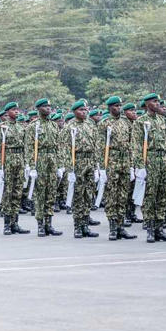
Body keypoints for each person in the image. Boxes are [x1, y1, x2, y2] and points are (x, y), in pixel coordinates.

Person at [131, 93, 166, 243]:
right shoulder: (140, 122)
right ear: (147, 103)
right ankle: (149, 228)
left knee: (163, 194)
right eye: (155, 102)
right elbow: (136, 146)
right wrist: (140, 165)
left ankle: (159, 229)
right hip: (150, 159)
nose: (158, 104)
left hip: (164, 159)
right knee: (150, 195)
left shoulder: (164, 121)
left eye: (158, 102)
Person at [100, 96, 136, 241]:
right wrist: (101, 167)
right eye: (115, 106)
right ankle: (113, 227)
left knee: (123, 195)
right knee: (111, 195)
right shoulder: (104, 124)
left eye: (120, 105)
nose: (118, 108)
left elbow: (132, 144)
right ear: (109, 108)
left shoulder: (126, 123)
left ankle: (121, 227)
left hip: (125, 160)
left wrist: (132, 165)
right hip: (112, 160)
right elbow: (100, 146)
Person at [26, 99, 63, 237]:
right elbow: (29, 147)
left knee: (51, 193)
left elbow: (58, 146)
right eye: (45, 106)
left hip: (52, 159)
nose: (48, 108)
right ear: (39, 108)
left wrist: (60, 165)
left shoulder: (54, 125)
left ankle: (49, 224)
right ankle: (40, 225)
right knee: (40, 194)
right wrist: (31, 166)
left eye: (49, 106)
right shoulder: (33, 126)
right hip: (40, 159)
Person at [63, 100, 99, 238]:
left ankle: (85, 225)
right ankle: (77, 226)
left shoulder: (90, 125)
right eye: (81, 110)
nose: (84, 112)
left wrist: (97, 167)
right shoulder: (70, 126)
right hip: (77, 161)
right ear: (74, 111)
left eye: (86, 110)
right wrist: (69, 169)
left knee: (88, 194)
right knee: (78, 195)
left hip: (90, 161)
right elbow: (65, 148)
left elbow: (96, 146)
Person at [0, 102, 30, 235]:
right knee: (8, 193)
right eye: (13, 110)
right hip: (8, 161)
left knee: (17, 193)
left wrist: (27, 163)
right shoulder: (2, 127)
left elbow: (27, 146)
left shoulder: (22, 127)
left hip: (20, 160)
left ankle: (15, 223)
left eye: (17, 109)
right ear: (7, 112)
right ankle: (6, 224)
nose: (17, 112)